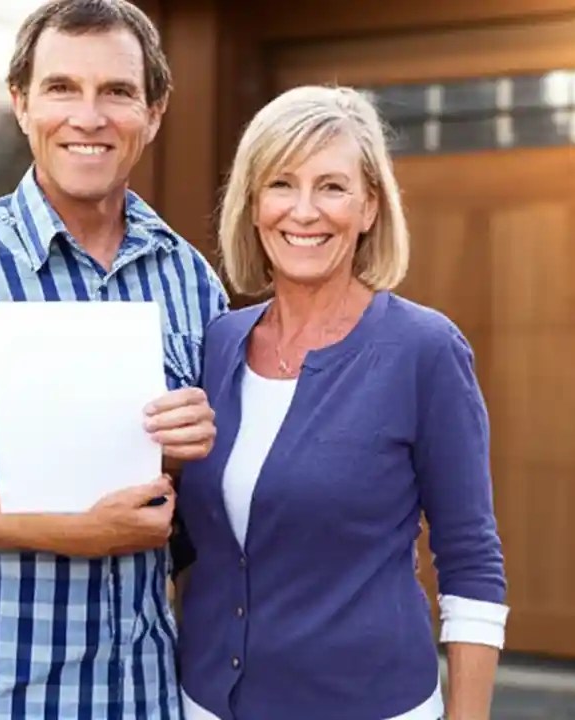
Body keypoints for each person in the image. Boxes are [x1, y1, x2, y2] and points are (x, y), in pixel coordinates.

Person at [0, 1, 227, 718]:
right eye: (62, 88)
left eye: (117, 92)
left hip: (142, 696)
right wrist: (72, 532)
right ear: (20, 103)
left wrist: (189, 457)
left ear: (154, 112)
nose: (88, 117)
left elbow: (205, 504)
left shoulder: (193, 281)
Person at [173, 85, 508, 720]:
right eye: (281, 184)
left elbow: (471, 559)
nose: (304, 212)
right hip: (207, 706)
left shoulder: (423, 350)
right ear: (252, 202)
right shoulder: (217, 344)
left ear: (370, 207)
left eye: (331, 187)